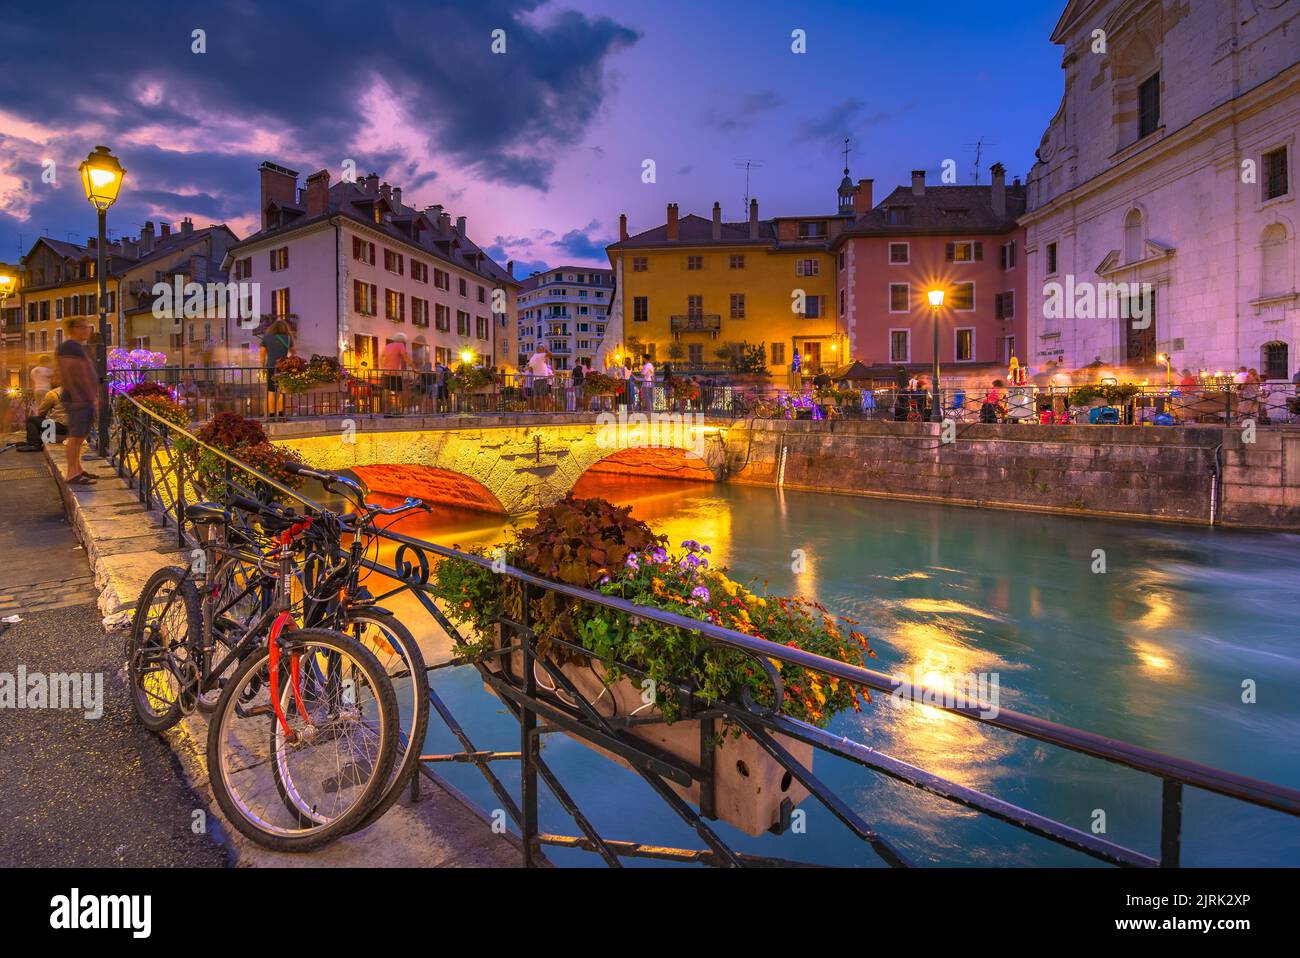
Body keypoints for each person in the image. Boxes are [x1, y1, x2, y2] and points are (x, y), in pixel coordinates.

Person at [56, 318, 99, 484]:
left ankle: (78, 469)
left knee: (81, 435)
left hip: (84, 398)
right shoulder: (69, 347)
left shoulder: (78, 347)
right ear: (74, 329)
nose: (87, 330)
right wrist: (78, 395)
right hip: (78, 399)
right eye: (83, 327)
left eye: (88, 327)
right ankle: (72, 473)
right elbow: (70, 372)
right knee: (75, 437)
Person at [14, 380, 68, 452]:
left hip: (61, 427)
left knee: (32, 420)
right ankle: (34, 440)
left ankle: (34, 444)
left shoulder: (53, 393)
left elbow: (41, 411)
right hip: (75, 427)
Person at [259, 319, 294, 417]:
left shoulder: (266, 338)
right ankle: (281, 414)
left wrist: (262, 368)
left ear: (272, 328)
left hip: (271, 367)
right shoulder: (288, 338)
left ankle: (271, 415)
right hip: (283, 367)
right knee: (282, 391)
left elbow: (262, 355)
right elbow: (293, 351)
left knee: (271, 391)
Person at [380, 334, 410, 414]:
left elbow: (381, 357)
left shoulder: (387, 346)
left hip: (385, 373)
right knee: (400, 393)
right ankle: (399, 410)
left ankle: (386, 411)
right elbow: (406, 357)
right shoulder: (400, 345)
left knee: (386, 393)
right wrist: (414, 368)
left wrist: (382, 367)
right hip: (395, 374)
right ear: (402, 340)